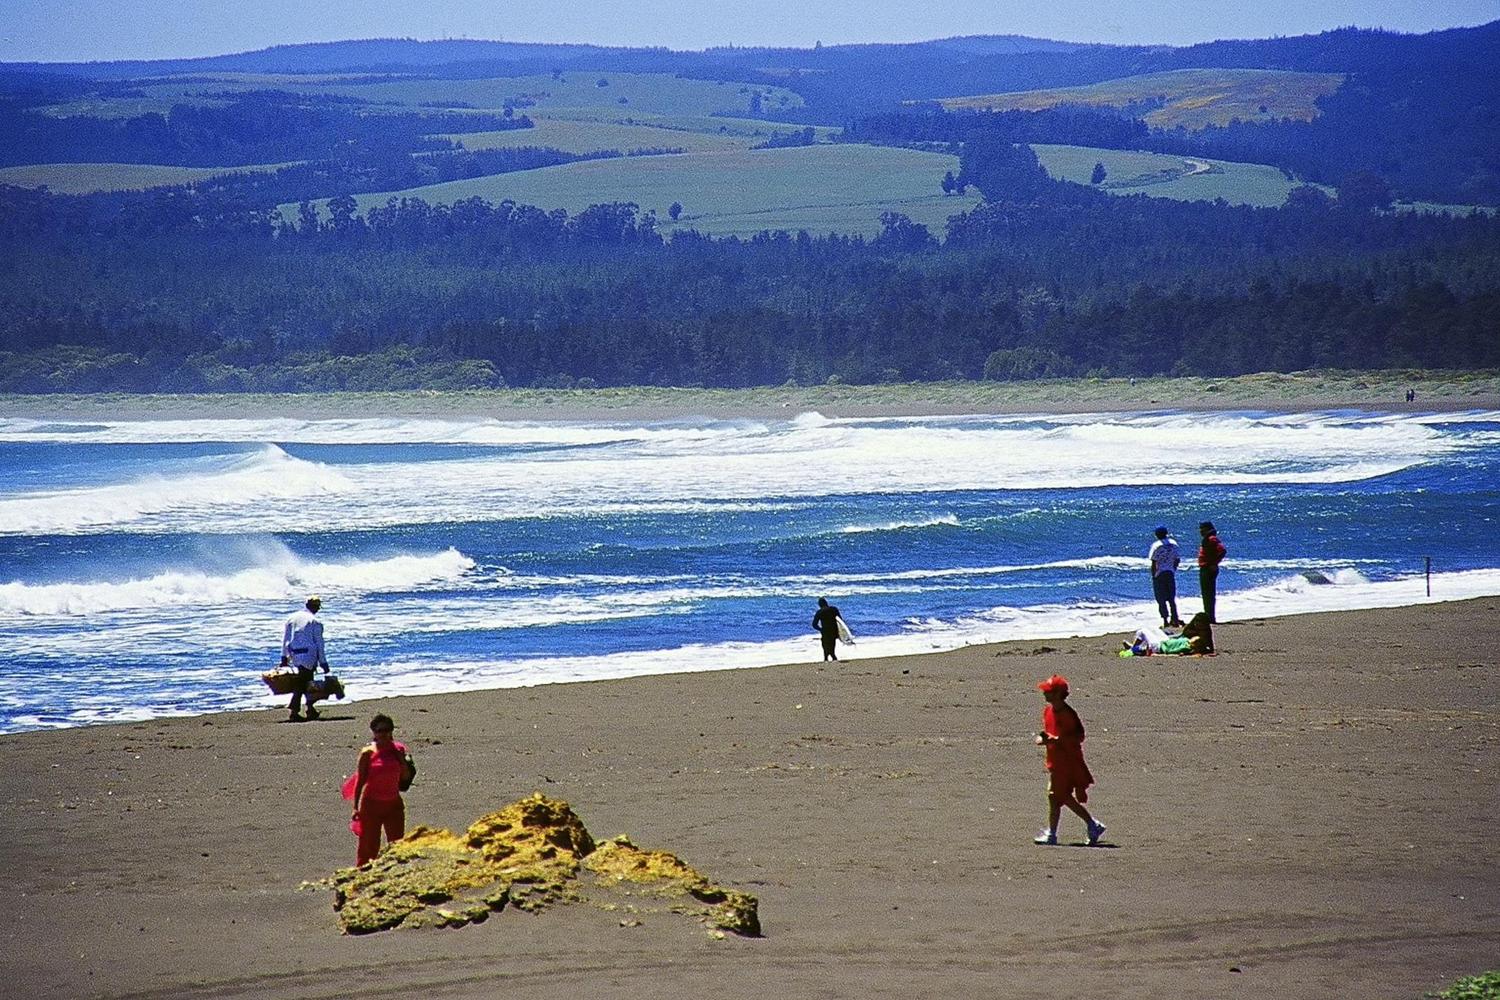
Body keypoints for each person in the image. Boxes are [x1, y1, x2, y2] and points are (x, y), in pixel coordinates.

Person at [1033, 675, 1105, 846]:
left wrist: (1057, 740)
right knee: (1055, 797)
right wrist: (1043, 739)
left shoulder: (1069, 714)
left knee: (1057, 795)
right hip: (1055, 759)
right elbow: (1046, 734)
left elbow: (1079, 736)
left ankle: (1090, 823)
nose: (1045, 694)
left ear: (1058, 694)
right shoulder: (1048, 711)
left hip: (1067, 760)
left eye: (1049, 691)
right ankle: (1054, 833)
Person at [342, 714, 413, 867]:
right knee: (368, 846)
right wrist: (355, 807)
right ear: (374, 732)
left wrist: (401, 760)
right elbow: (360, 781)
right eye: (380, 730)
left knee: (397, 844)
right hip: (371, 805)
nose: (384, 734)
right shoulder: (368, 753)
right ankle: (363, 876)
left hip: (393, 804)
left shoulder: (398, 750)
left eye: (387, 730)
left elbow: (406, 777)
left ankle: (394, 874)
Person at [281, 595, 330, 722]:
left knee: (302, 681)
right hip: (309, 655)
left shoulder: (292, 618)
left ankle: (308, 709)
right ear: (315, 607)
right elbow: (319, 644)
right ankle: (297, 709)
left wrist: (284, 657)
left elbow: (286, 639)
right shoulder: (315, 622)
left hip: (294, 654)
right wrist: (323, 662)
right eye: (318, 607)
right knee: (305, 683)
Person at [1147, 525, 1183, 629]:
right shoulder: (1173, 544)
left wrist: (1153, 575)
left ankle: (1165, 620)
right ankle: (1175, 618)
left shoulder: (1156, 545)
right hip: (1170, 572)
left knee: (1161, 599)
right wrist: (1173, 569)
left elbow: (1154, 562)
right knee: (1171, 598)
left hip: (1159, 574)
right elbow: (1177, 559)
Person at [1197, 521, 1227, 624]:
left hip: (1208, 568)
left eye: (1202, 529)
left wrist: (1214, 563)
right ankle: (1208, 616)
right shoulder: (1207, 539)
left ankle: (1210, 617)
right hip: (1206, 568)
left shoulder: (1212, 539)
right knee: (1206, 594)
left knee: (1208, 593)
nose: (1200, 531)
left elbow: (1222, 550)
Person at [811, 597, 843, 662]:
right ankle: (833, 657)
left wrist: (820, 629)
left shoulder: (819, 612)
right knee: (832, 644)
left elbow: (814, 624)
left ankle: (827, 658)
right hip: (834, 630)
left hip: (825, 631)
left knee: (825, 644)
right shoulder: (834, 609)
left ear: (819, 605)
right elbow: (840, 620)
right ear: (826, 603)